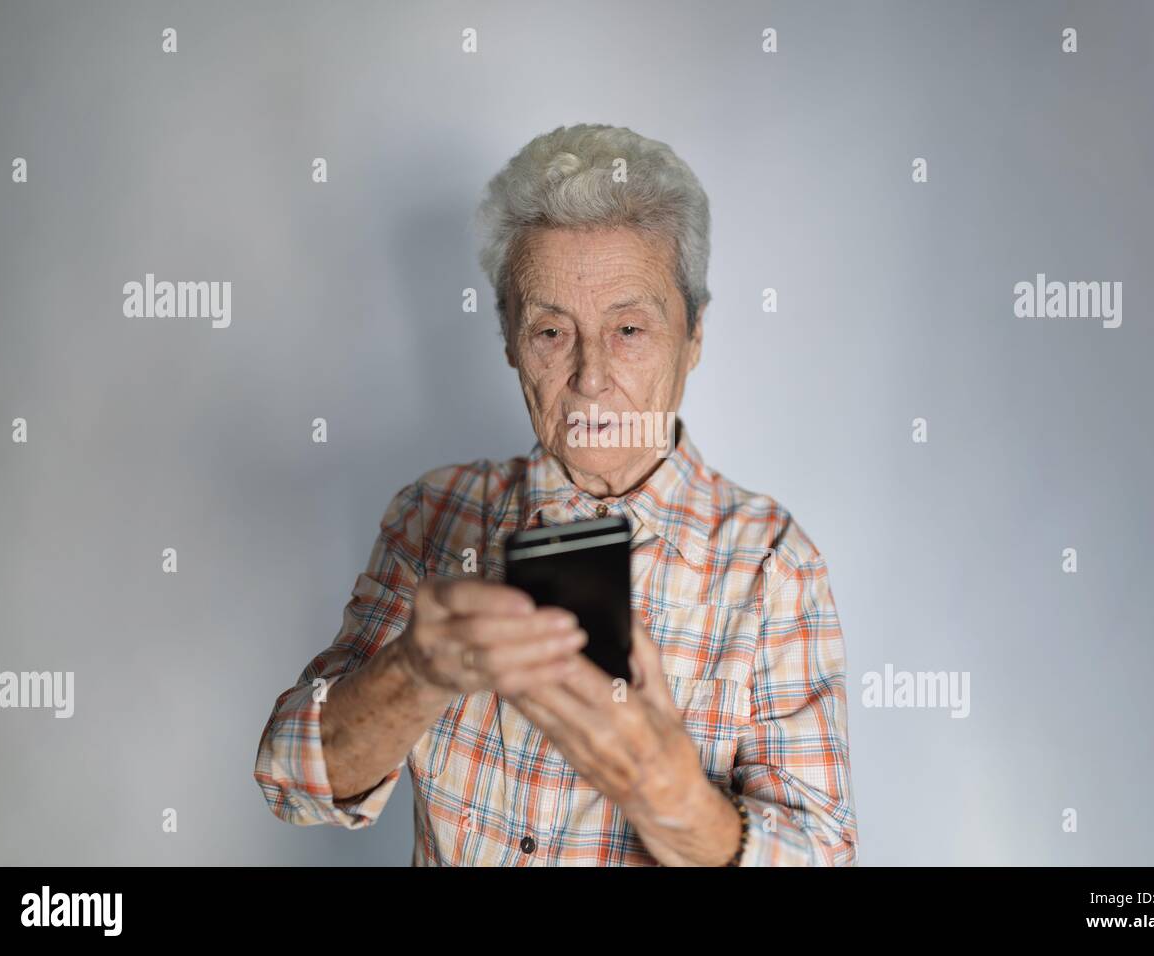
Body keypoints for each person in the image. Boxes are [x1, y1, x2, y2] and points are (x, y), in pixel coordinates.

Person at [254, 123, 858, 866]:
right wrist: (413, 673)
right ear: (510, 341)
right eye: (550, 333)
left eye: (629, 328)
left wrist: (671, 794)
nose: (591, 377)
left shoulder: (772, 563)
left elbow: (821, 854)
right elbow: (292, 781)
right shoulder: (433, 516)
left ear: (694, 334)